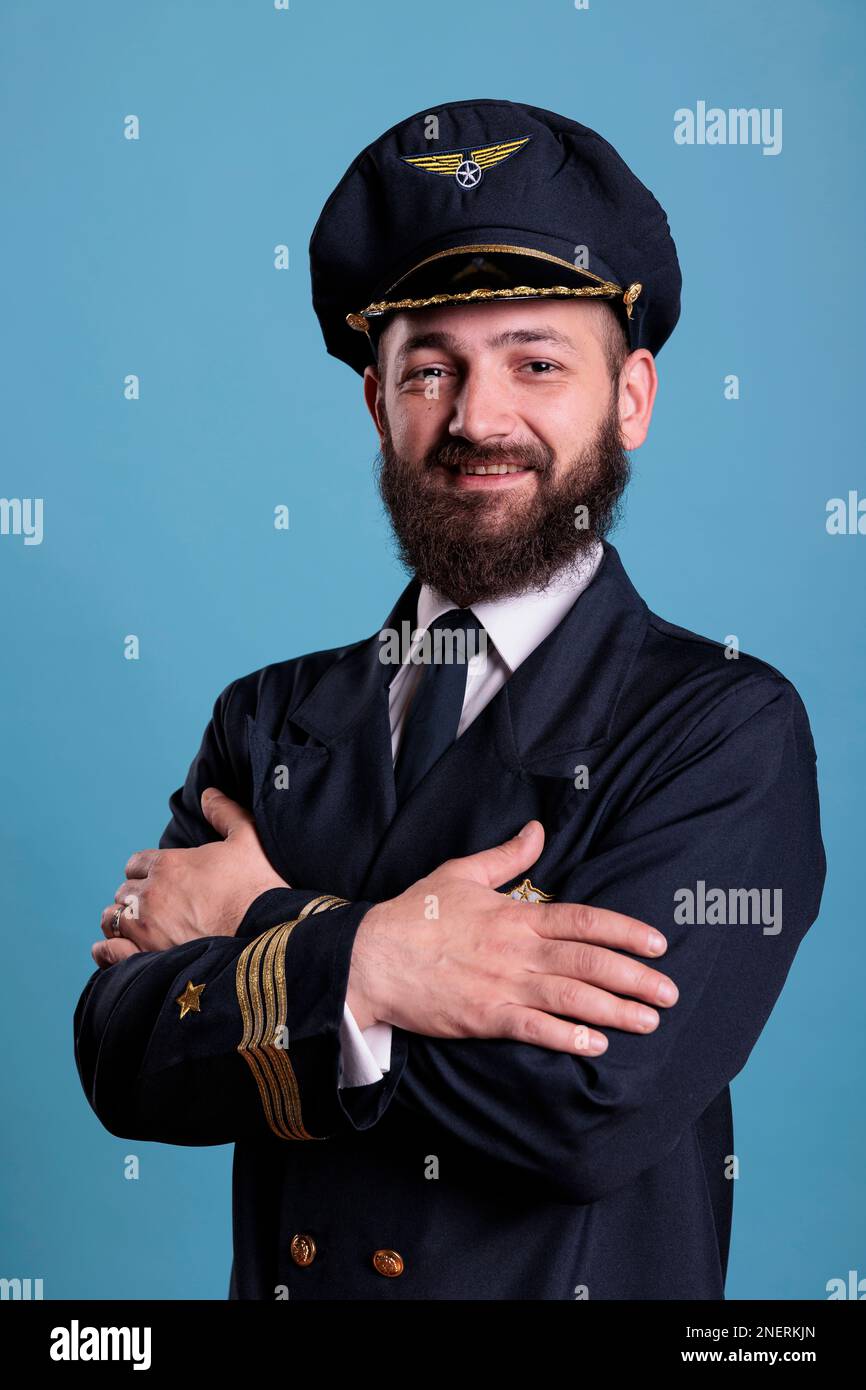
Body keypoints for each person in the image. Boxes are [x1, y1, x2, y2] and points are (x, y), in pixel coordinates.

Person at [73, 99, 825, 1300]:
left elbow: (587, 1106)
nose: (479, 419)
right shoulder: (265, 716)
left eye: (535, 362)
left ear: (629, 397)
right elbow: (122, 1052)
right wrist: (378, 961)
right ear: (377, 403)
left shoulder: (722, 727)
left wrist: (271, 925)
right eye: (431, 368)